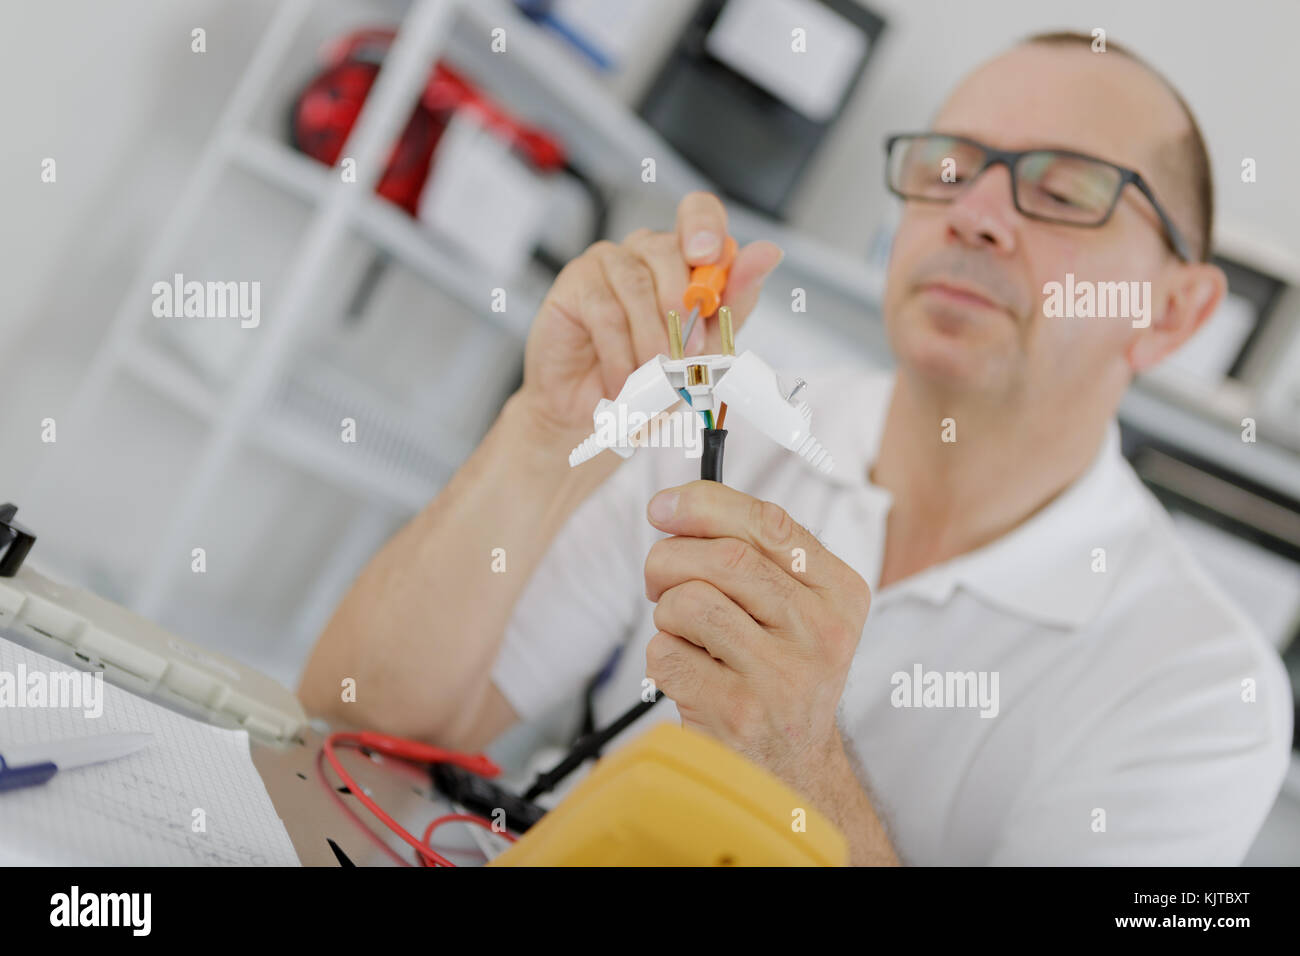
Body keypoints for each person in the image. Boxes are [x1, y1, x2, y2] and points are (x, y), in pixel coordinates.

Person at [299, 31, 1292, 865]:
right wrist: (544, 433)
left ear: (1171, 312)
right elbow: (353, 715)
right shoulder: (720, 421)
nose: (974, 214)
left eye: (1065, 189)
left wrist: (797, 762)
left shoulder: (1208, 692)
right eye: (946, 168)